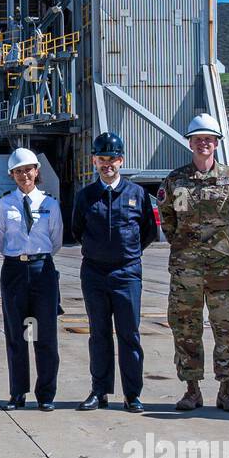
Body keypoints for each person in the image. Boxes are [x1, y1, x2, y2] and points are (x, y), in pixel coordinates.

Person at [157, 114, 229, 413]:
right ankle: (191, 389)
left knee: (226, 327)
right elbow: (166, 217)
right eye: (198, 139)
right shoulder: (175, 179)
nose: (203, 144)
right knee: (186, 327)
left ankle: (226, 390)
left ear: (216, 143)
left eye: (208, 139)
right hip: (186, 268)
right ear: (190, 142)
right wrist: (183, 244)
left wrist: (226, 242)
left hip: (222, 268)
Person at [71, 132, 158, 412]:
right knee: (99, 334)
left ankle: (132, 394)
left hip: (127, 273)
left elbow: (147, 232)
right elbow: (77, 231)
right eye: (102, 159)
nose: (107, 164)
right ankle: (99, 391)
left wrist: (126, 255)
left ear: (122, 160)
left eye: (113, 159)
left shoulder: (137, 194)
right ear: (94, 160)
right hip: (95, 274)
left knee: (129, 335)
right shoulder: (86, 196)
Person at [0, 147, 63, 411]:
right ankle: (17, 393)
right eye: (19, 171)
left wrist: (36, 258)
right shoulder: (4, 203)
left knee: (45, 336)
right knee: (16, 335)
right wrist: (18, 257)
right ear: (12, 174)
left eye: (28, 170)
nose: (24, 175)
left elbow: (55, 240)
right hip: (14, 272)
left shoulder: (50, 204)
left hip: (42, 270)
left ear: (36, 171)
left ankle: (46, 394)